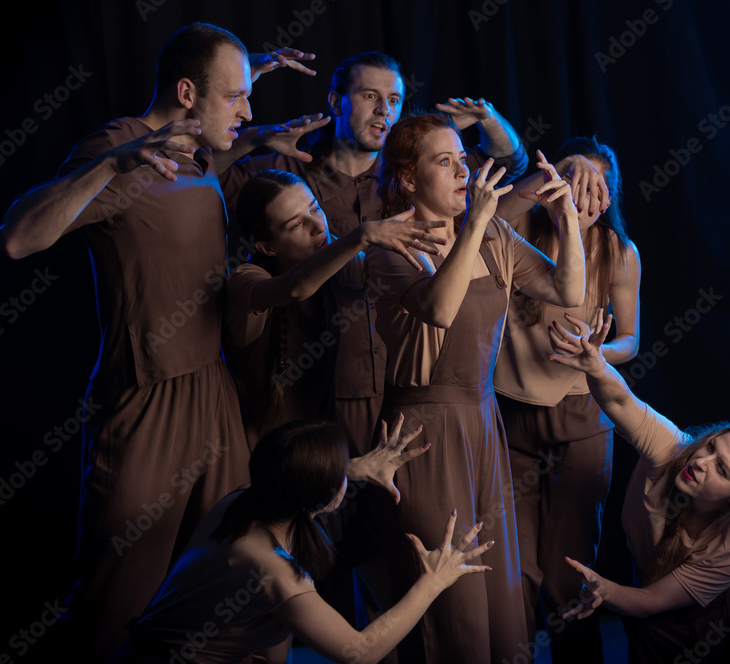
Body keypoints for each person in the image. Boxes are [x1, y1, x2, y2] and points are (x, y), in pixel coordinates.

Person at [0, 22, 318, 662]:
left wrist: (254, 127)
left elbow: (201, 161)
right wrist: (111, 165)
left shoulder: (195, 150)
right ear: (186, 92)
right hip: (145, 401)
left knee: (238, 572)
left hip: (213, 389)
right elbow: (17, 237)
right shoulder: (120, 148)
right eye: (236, 97)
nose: (247, 110)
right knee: (118, 598)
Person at [219, 51, 530, 452]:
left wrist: (487, 116)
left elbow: (510, 161)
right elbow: (207, 172)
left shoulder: (413, 173)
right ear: (336, 102)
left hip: (394, 383)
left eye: (395, 100)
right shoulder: (289, 172)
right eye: (370, 96)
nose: (385, 110)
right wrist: (256, 136)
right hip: (309, 381)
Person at [365, 112, 586, 663]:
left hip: (483, 424)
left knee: (496, 586)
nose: (463, 171)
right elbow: (440, 309)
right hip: (421, 434)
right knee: (450, 596)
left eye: (463, 160)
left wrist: (566, 218)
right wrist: (474, 225)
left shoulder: (494, 235)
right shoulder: (391, 246)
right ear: (409, 179)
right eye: (445, 162)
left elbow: (568, 290)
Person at [111, 418, 494, 664]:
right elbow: (359, 652)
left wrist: (355, 469)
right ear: (325, 497)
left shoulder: (243, 498)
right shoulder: (274, 570)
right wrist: (432, 581)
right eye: (341, 471)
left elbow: (290, 484)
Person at [548, 309, 730, 663]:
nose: (701, 462)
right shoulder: (674, 449)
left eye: (721, 469)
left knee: (712, 650)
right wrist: (596, 365)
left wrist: (611, 591)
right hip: (664, 565)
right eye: (711, 446)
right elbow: (620, 400)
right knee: (651, 634)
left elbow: (651, 601)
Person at [492, 136, 640, 662]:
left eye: (597, 187)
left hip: (581, 419)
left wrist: (595, 353)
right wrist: (549, 177)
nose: (585, 197)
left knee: (569, 569)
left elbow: (631, 340)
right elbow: (484, 216)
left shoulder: (619, 252)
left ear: (609, 196)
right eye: (575, 183)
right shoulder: (515, 231)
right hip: (509, 414)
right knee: (514, 567)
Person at [223, 169, 446, 446]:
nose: (318, 226)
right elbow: (296, 287)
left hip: (321, 446)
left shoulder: (326, 251)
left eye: (315, 208)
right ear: (267, 248)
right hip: (265, 452)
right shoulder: (244, 281)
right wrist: (363, 235)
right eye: (296, 225)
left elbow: (376, 271)